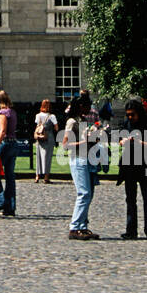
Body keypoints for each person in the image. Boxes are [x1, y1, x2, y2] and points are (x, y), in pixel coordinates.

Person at [117, 98, 147, 239]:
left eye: (132, 114)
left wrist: (139, 142)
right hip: (129, 165)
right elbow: (120, 141)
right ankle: (131, 230)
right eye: (128, 114)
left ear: (139, 113)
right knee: (130, 200)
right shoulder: (126, 124)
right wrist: (124, 141)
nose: (130, 117)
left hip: (145, 164)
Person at [63, 94, 100, 239]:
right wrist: (83, 143)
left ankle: (83, 226)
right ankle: (75, 227)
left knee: (89, 194)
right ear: (80, 106)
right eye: (87, 106)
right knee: (83, 193)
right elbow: (65, 144)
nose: (89, 108)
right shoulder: (72, 122)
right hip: (77, 159)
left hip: (87, 158)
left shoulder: (83, 120)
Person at [0, 90, 18, 216]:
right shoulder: (12, 112)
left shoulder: (2, 113)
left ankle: (0, 202)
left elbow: (2, 131)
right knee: (10, 176)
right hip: (13, 143)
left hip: (5, 144)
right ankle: (10, 206)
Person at [33, 99, 57, 183]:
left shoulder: (38, 115)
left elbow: (37, 126)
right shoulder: (52, 116)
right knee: (47, 158)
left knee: (38, 157)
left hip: (40, 137)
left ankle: (37, 176)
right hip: (48, 137)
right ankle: (46, 177)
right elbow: (56, 128)